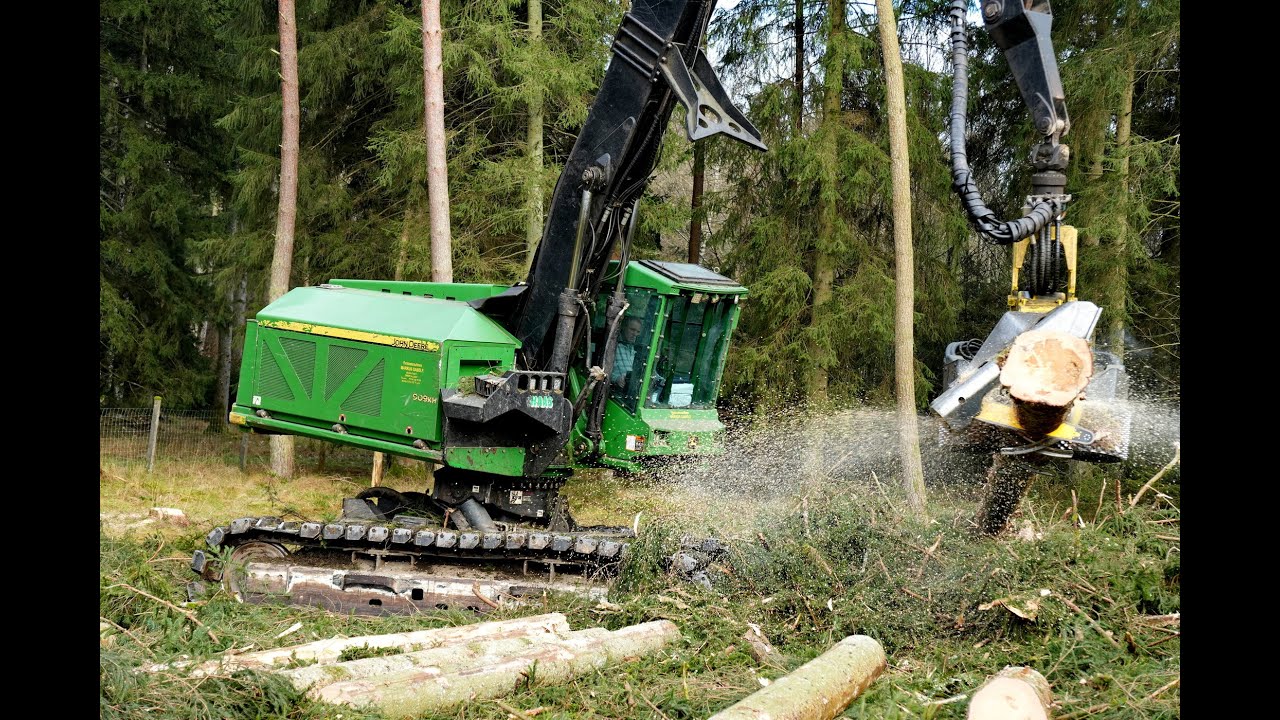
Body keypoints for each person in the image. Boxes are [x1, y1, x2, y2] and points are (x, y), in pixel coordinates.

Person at [610, 316, 645, 391]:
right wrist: (617, 379)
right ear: (623, 327)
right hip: (615, 390)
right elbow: (601, 370)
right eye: (632, 329)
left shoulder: (635, 349)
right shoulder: (613, 346)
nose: (635, 334)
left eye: (638, 332)